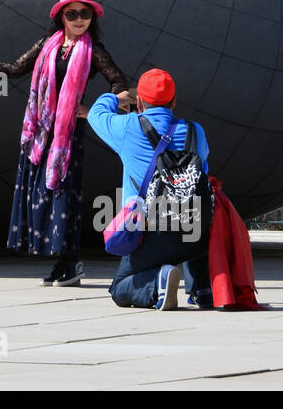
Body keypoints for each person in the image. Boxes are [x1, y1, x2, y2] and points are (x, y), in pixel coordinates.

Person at [0, 0, 129, 286]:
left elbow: (121, 85)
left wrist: (94, 109)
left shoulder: (94, 50)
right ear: (61, 16)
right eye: (71, 13)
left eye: (85, 13)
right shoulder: (49, 44)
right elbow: (15, 68)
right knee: (42, 196)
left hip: (67, 135)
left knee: (65, 197)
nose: (78, 19)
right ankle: (61, 262)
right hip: (41, 132)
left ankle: (70, 263)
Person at [88, 69, 212, 310]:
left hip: (149, 233)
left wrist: (119, 98)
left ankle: (159, 280)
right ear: (174, 101)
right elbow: (201, 173)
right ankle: (203, 288)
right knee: (190, 203)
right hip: (196, 236)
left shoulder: (128, 127)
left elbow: (95, 113)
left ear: (140, 102)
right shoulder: (196, 131)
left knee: (120, 287)